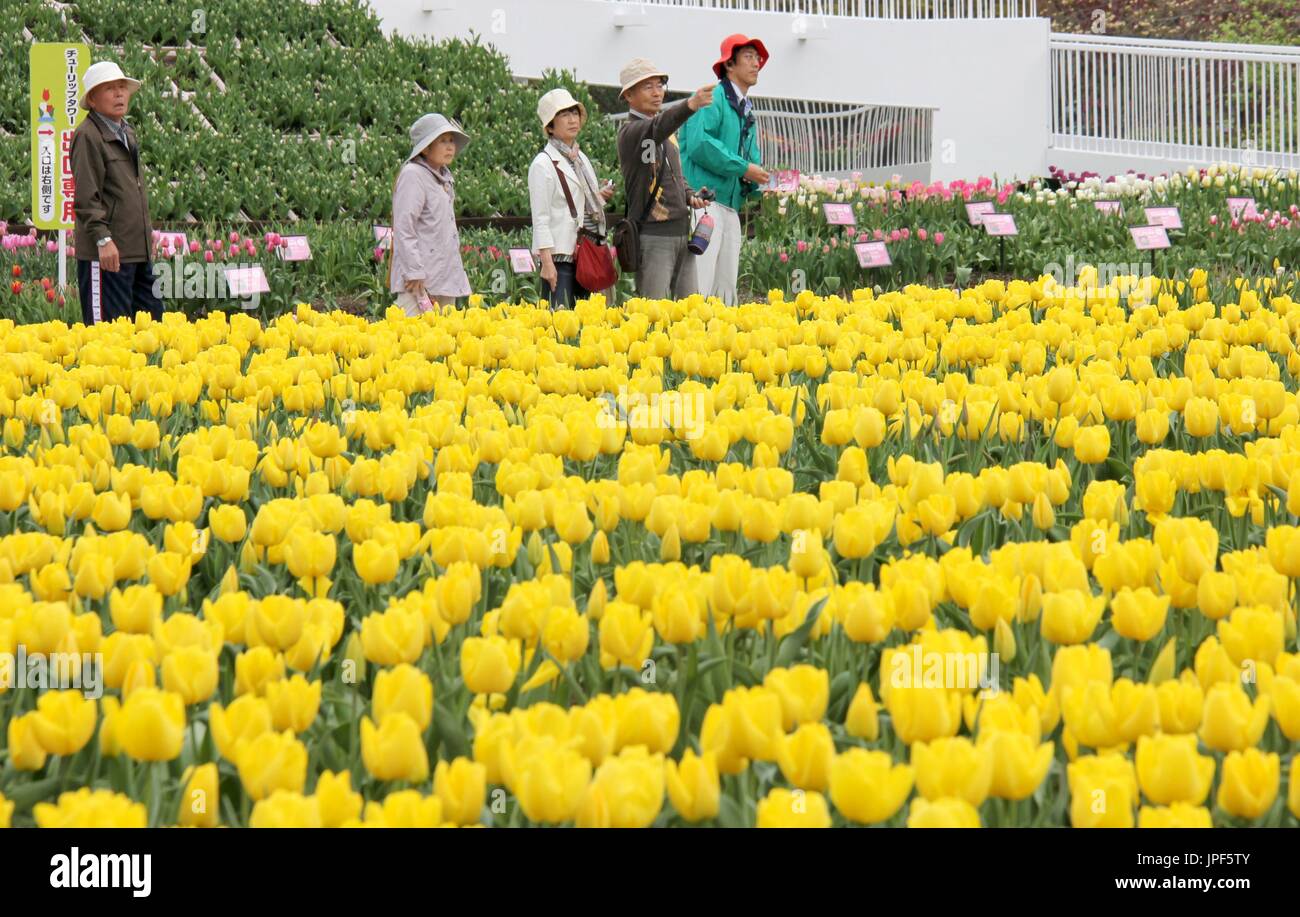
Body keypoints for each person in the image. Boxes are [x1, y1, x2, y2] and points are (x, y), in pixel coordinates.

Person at [679, 34, 772, 306]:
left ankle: (720, 346)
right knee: (700, 285)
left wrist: (762, 182)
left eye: (758, 58)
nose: (756, 64)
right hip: (704, 205)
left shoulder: (746, 109)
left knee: (726, 292)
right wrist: (745, 169)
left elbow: (749, 158)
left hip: (730, 207)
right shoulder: (712, 97)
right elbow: (700, 144)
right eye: (748, 57)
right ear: (729, 65)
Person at [70, 60, 163, 325]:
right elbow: (87, 198)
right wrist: (102, 240)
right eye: (110, 89)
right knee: (108, 335)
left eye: (122, 87)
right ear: (93, 99)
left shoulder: (126, 132)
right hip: (107, 254)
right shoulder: (88, 136)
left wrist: (146, 237)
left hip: (136, 251)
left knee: (152, 326)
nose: (119, 94)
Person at [616, 58, 714, 300]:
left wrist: (691, 195)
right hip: (653, 236)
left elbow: (674, 176)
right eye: (648, 87)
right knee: (655, 315)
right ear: (629, 96)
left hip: (682, 232)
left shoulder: (665, 134)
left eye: (659, 86)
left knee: (689, 313)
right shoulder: (631, 132)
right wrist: (690, 104)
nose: (657, 92)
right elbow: (657, 127)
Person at [528, 88, 615, 310]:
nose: (572, 119)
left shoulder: (580, 158)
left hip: (585, 253)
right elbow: (541, 218)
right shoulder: (543, 163)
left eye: (574, 113)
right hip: (560, 258)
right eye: (564, 114)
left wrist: (599, 197)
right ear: (550, 126)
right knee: (560, 324)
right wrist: (546, 263)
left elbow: (579, 203)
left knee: (586, 323)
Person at [390, 113, 473, 315]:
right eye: (442, 141)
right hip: (418, 282)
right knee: (414, 340)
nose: (450, 146)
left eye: (451, 140)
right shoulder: (413, 174)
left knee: (443, 341)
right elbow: (404, 227)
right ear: (426, 148)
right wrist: (414, 272)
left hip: (445, 278)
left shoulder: (444, 177)